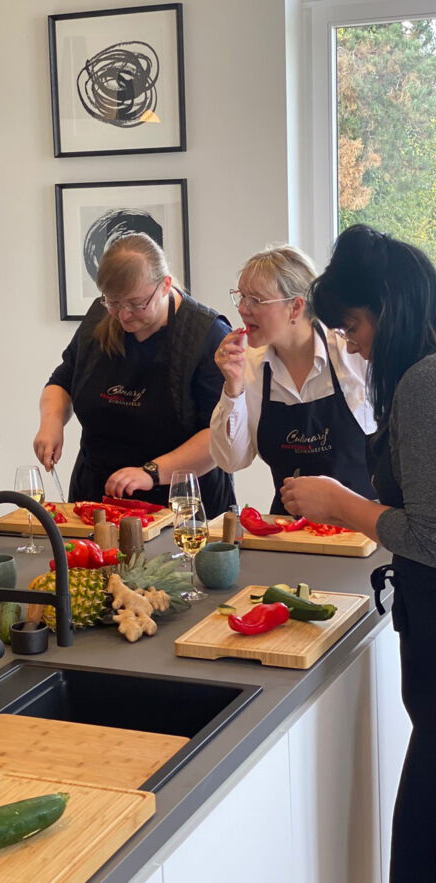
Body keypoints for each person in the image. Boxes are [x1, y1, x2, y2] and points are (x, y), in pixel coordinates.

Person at [279, 224, 436, 883]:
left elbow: (431, 533)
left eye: (352, 325)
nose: (353, 342)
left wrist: (342, 503)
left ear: (388, 308)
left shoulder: (425, 382)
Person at [34, 233, 235, 516]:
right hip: (96, 494)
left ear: (165, 285)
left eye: (136, 303)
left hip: (180, 504)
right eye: (113, 303)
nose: (124, 315)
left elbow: (218, 436)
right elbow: (62, 381)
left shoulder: (207, 335)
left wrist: (151, 473)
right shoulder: (101, 318)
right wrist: (51, 423)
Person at [210, 244, 376, 513]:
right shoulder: (249, 366)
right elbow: (231, 461)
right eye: (241, 297)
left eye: (256, 300)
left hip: (361, 527)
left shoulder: (351, 351)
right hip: (289, 530)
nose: (243, 309)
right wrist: (232, 388)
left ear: (296, 307)